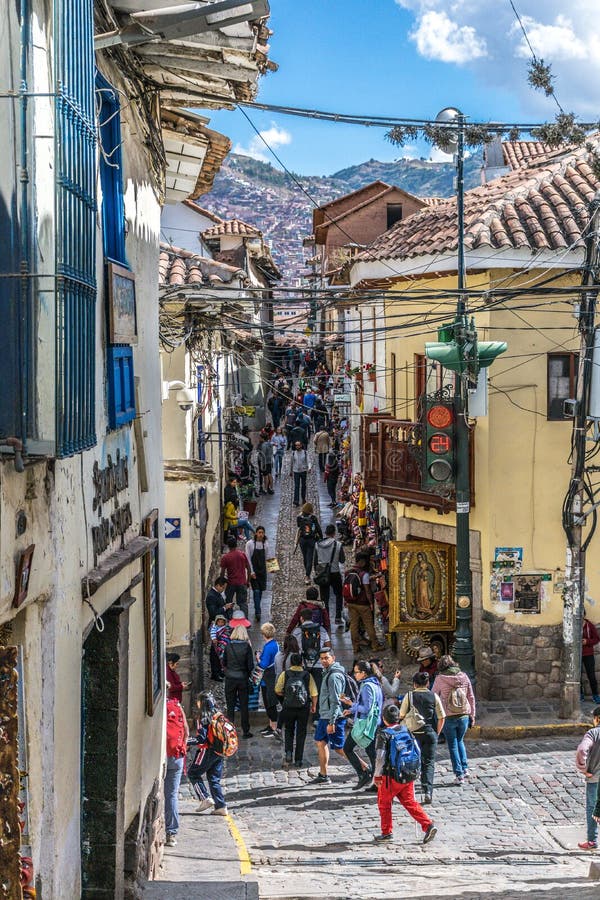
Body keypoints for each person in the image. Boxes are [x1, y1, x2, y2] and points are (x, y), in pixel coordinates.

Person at [373, 704, 437, 844]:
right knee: (410, 802)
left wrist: (377, 776)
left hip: (390, 777)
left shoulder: (384, 734)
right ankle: (428, 825)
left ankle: (387, 832)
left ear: (384, 719)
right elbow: (417, 750)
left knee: (384, 803)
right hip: (407, 773)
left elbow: (380, 757)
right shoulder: (406, 730)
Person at [399, 672, 446, 804]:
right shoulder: (434, 696)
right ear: (428, 683)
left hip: (413, 734)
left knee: (410, 761)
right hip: (430, 733)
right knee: (429, 762)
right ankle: (427, 791)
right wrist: (437, 732)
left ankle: (408, 790)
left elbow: (401, 715)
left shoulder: (409, 696)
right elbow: (442, 717)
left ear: (414, 684)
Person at [433, 654, 476, 785]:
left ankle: (459, 774)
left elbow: (433, 695)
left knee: (452, 745)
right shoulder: (464, 676)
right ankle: (465, 768)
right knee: (460, 741)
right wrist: (472, 715)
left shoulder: (440, 679)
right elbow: (471, 696)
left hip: (448, 716)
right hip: (463, 715)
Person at [342, 660, 384, 790]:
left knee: (348, 748)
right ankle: (377, 781)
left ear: (364, 673)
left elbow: (366, 708)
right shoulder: (376, 684)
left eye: (356, 672)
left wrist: (351, 705)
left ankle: (364, 774)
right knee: (371, 752)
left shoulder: (366, 686)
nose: (354, 675)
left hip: (365, 724)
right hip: (373, 723)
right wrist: (352, 709)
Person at [188, 691, 229, 816]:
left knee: (193, 773)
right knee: (214, 779)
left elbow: (201, 739)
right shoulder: (219, 715)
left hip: (206, 751)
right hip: (219, 751)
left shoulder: (203, 718)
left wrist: (186, 741)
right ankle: (221, 806)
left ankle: (204, 798)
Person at [275, 652, 318, 767]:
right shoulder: (307, 675)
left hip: (288, 707)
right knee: (301, 733)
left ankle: (288, 752)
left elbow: (277, 689)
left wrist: (286, 695)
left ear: (291, 663)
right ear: (301, 662)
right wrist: (313, 706)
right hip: (303, 708)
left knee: (289, 730)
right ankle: (298, 759)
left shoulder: (285, 674)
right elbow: (314, 693)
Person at [312, 648, 347, 784]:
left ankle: (364, 769)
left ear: (333, 657)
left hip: (332, 717)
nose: (323, 661)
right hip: (325, 715)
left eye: (326, 658)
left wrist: (332, 721)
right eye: (321, 658)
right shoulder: (328, 673)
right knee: (321, 742)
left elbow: (335, 700)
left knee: (340, 748)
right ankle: (323, 774)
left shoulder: (333, 676)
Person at [343, 553, 385, 655]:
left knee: (354, 625)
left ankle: (355, 647)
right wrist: (371, 602)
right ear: (362, 562)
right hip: (362, 604)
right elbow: (367, 590)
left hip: (351, 603)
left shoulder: (349, 572)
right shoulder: (364, 574)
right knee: (369, 625)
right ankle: (375, 645)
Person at [292, 607, 332, 712]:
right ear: (312, 617)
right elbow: (328, 646)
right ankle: (317, 715)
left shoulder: (297, 631)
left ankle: (304, 712)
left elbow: (293, 647)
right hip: (318, 664)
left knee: (303, 689)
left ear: (301, 618)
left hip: (303, 664)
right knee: (318, 690)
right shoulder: (321, 629)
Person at [164, 696, 189, 846]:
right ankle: (171, 834)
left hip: (162, 755)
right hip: (176, 755)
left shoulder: (159, 707)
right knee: (171, 795)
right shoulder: (177, 706)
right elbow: (186, 730)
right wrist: (183, 747)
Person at [223, 620, 254, 739]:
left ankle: (230, 731)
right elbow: (250, 665)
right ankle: (246, 730)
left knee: (230, 706)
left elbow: (224, 661)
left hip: (230, 678)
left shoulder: (228, 646)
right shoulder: (246, 647)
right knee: (244, 705)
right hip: (242, 679)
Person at [576, 705, 600, 849]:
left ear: (597, 719)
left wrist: (583, 768)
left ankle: (592, 841)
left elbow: (582, 749)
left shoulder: (593, 733)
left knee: (593, 808)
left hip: (595, 778)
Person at [313, 524, 346, 624]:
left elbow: (315, 562)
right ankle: (338, 617)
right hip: (335, 573)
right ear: (334, 533)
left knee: (324, 598)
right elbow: (342, 560)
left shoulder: (317, 545)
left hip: (323, 574)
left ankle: (325, 618)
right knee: (339, 595)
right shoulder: (338, 545)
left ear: (325, 533)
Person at [256, 622, 281, 738]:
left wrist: (258, 657)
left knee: (269, 702)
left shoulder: (268, 646)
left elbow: (263, 664)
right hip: (273, 675)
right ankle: (271, 725)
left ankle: (274, 727)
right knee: (269, 702)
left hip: (268, 678)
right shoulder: (275, 644)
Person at [220, 535, 251, 617]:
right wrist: (247, 581)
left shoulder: (226, 557)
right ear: (236, 544)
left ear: (228, 546)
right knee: (243, 603)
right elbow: (249, 569)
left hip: (231, 583)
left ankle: (230, 619)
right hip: (242, 582)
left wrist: (221, 584)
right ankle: (245, 620)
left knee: (229, 602)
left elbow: (222, 573)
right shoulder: (242, 555)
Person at [245, 526, 269, 621]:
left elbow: (267, 557)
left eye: (262, 533)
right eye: (259, 532)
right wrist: (251, 572)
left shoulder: (265, 544)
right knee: (256, 591)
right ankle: (258, 611)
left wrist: (272, 568)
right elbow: (248, 558)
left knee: (261, 591)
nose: (261, 534)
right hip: (254, 571)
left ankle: (257, 607)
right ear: (256, 533)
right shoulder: (250, 544)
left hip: (262, 571)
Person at [295, 502, 322, 584]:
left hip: (302, 540)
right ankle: (307, 575)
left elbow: (299, 526)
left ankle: (307, 573)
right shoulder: (313, 517)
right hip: (311, 540)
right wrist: (321, 537)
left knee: (305, 557)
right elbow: (318, 528)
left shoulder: (299, 517)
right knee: (310, 557)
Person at [582, 616, 600, 703]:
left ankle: (595, 695)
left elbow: (596, 639)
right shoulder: (573, 624)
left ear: (583, 614)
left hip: (588, 654)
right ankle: (580, 695)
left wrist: (587, 641)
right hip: (576, 655)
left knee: (591, 676)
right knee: (577, 677)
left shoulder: (589, 625)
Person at [209, 614, 230, 682]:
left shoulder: (225, 628)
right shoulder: (214, 628)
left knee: (220, 660)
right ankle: (215, 675)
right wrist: (215, 639)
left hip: (222, 647)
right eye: (219, 622)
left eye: (222, 622)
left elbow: (226, 636)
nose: (220, 623)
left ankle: (219, 672)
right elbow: (212, 634)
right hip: (215, 646)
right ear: (216, 622)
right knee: (215, 660)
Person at [291, 441, 310, 506]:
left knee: (303, 485)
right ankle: (296, 501)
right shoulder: (293, 453)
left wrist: (309, 468)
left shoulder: (305, 452)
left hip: (303, 471)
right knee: (296, 486)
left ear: (301, 445)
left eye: (298, 445)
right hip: (296, 471)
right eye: (296, 445)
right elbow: (291, 462)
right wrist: (290, 471)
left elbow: (308, 461)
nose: (297, 447)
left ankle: (303, 498)